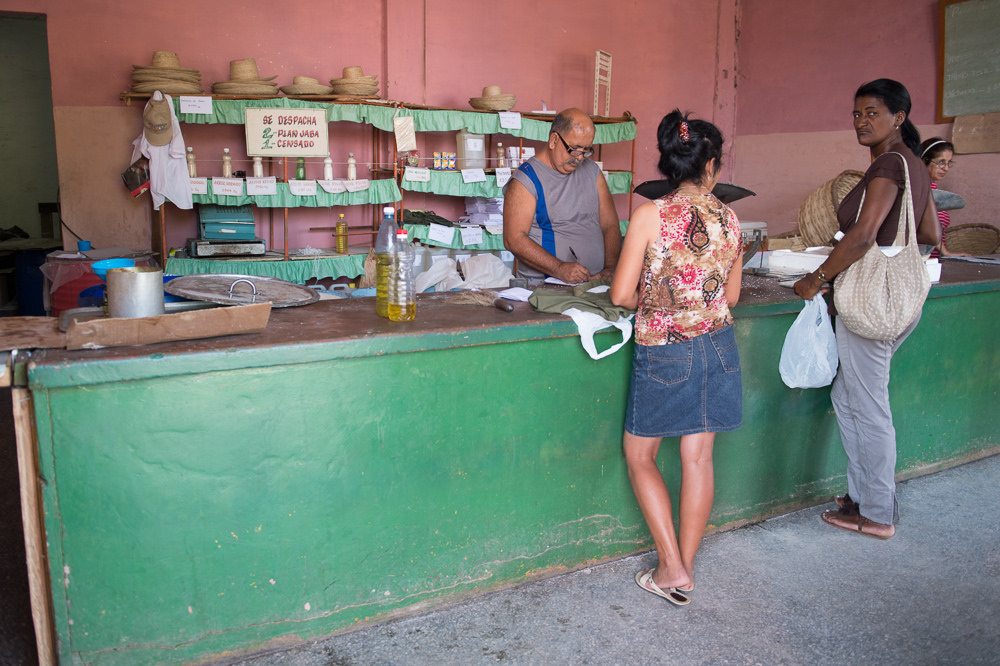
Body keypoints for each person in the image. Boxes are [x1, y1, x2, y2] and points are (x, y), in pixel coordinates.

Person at [794, 79, 940, 539]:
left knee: (870, 406)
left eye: (872, 113)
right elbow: (932, 234)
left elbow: (862, 236)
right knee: (849, 397)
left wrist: (816, 279)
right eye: (857, 113)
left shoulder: (887, 167)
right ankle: (862, 495)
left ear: (898, 117)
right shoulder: (912, 165)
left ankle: (877, 513)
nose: (861, 121)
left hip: (871, 303)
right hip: (900, 301)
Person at [609, 110, 743, 605]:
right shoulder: (730, 219)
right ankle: (681, 564)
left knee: (640, 454)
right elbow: (731, 293)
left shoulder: (650, 215)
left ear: (669, 164)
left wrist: (661, 294)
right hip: (719, 346)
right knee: (698, 457)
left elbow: (623, 295)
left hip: (667, 350)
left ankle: (671, 567)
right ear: (710, 165)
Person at [503, 108, 621, 283]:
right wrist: (558, 268)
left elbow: (610, 224)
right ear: (554, 140)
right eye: (574, 149)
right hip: (546, 287)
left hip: (595, 284)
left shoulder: (593, 172)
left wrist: (610, 268)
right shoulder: (526, 180)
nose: (580, 158)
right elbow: (513, 239)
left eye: (586, 151)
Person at [919, 137, 963, 258]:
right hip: (921, 259)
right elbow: (921, 225)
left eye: (949, 163)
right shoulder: (919, 188)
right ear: (924, 160)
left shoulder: (933, 187)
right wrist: (945, 252)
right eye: (941, 162)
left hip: (934, 259)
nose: (946, 168)